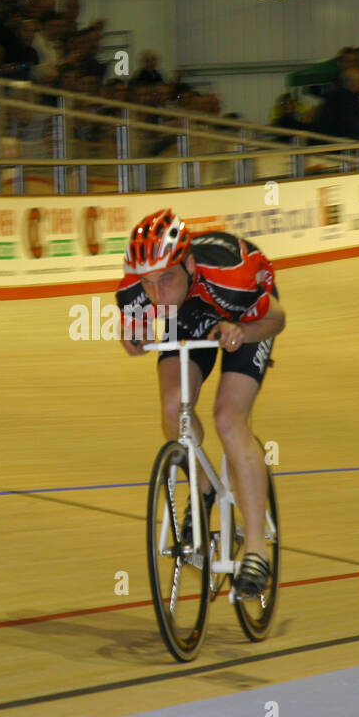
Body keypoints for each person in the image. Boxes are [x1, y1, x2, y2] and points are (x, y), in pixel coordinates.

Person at [116, 210, 286, 598]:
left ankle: (257, 550)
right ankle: (205, 486)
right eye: (148, 283)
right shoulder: (138, 285)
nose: (157, 293)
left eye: (167, 279)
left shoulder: (233, 276)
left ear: (189, 264)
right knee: (174, 409)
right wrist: (134, 333)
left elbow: (277, 319)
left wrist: (242, 330)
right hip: (192, 316)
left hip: (245, 316)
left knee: (228, 419)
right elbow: (137, 321)